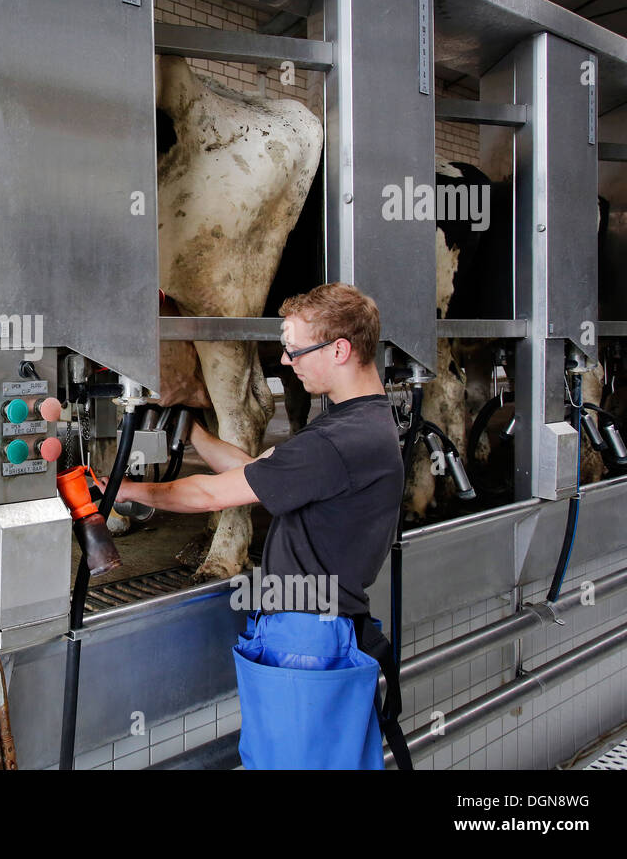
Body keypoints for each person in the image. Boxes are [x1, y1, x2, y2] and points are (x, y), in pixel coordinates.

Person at [106, 282, 408, 769]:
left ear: (340, 349)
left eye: (294, 351)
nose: (287, 362)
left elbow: (208, 494)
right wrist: (192, 426)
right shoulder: (363, 425)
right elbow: (255, 468)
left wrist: (121, 489)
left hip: (305, 640)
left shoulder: (336, 441)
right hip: (322, 625)